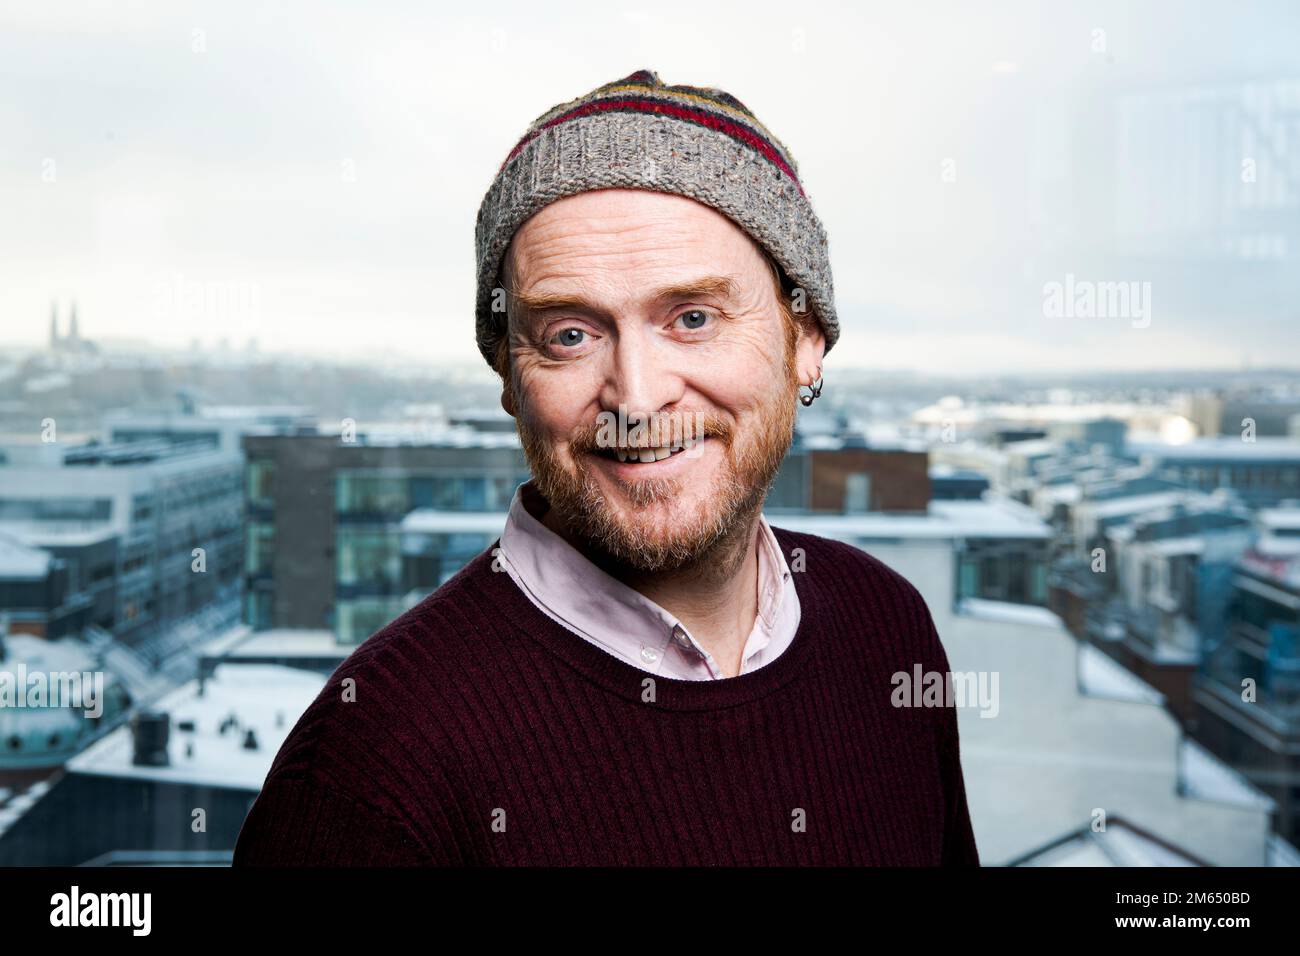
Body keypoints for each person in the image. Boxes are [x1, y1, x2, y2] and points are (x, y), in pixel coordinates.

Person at [234, 69, 979, 866]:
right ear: (510, 381)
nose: (636, 395)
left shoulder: (887, 627)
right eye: (569, 336)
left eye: (693, 318)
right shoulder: (374, 765)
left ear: (806, 340)